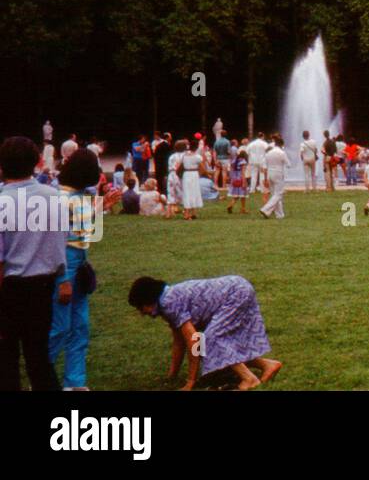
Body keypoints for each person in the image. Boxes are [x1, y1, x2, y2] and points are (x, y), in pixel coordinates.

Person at [129, 275, 281, 390]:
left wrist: (191, 381)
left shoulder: (168, 302)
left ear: (148, 300)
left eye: (140, 308)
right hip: (238, 287)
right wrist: (172, 375)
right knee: (210, 345)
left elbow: (194, 340)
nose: (143, 313)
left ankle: (249, 379)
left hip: (236, 293)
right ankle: (267, 365)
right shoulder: (166, 302)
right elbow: (179, 342)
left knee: (209, 340)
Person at [0, 136, 66, 390]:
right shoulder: (54, 196)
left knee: (6, 358)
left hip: (11, 286)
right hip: (43, 284)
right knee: (38, 357)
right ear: (37, 163)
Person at [49, 149, 116, 391]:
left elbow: (82, 228)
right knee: (59, 327)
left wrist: (102, 207)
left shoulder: (76, 195)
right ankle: (43, 378)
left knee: (80, 327)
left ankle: (74, 382)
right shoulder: (60, 198)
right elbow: (56, 242)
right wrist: (62, 279)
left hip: (79, 263)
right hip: (65, 265)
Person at [259, 135, 288, 220]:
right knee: (279, 194)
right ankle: (265, 209)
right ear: (281, 144)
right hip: (278, 174)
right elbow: (288, 164)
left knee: (274, 194)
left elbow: (265, 166)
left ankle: (279, 215)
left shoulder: (268, 153)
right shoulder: (281, 152)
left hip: (269, 174)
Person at [175, 139, 204, 220]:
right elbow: (202, 167)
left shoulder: (184, 156)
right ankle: (187, 214)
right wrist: (203, 174)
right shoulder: (197, 157)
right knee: (194, 192)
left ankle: (193, 212)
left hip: (186, 174)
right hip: (194, 174)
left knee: (188, 192)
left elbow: (180, 166)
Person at [226, 148, 249, 214]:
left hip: (234, 178)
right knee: (243, 195)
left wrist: (231, 178)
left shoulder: (234, 160)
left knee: (236, 195)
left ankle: (231, 204)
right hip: (240, 178)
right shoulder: (243, 161)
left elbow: (231, 170)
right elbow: (243, 172)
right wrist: (244, 182)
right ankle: (243, 209)